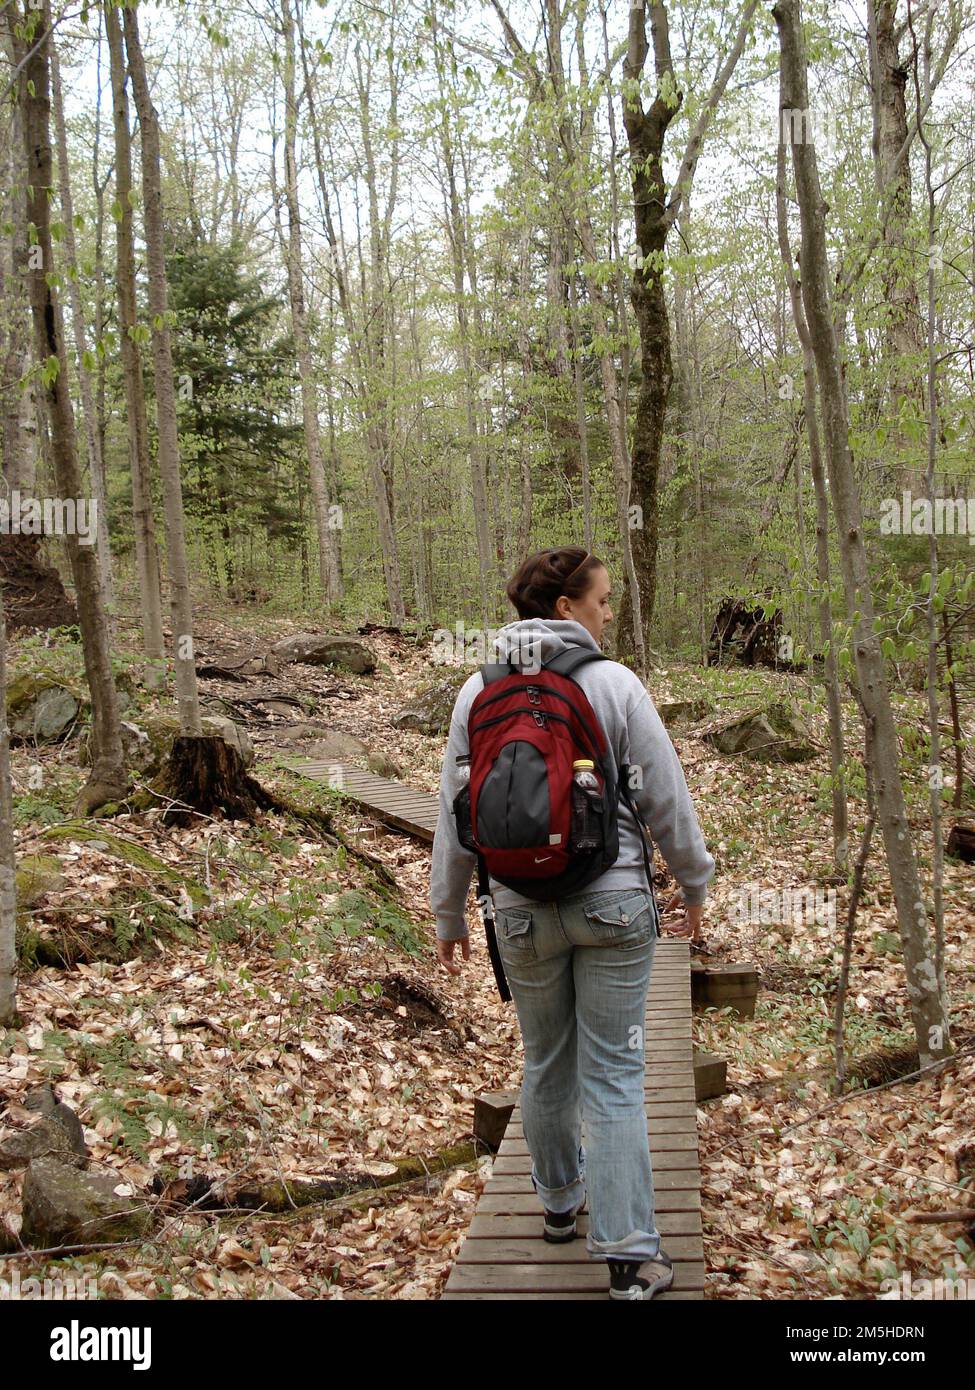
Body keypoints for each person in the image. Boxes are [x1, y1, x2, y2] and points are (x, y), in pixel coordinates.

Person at [429, 546, 715, 1300]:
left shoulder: (476, 690)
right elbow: (664, 799)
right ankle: (627, 1256)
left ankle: (558, 1204)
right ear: (565, 609)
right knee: (615, 1073)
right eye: (602, 599)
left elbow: (455, 816)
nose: (609, 611)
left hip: (518, 912)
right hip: (613, 903)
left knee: (544, 1059)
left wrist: (448, 910)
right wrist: (694, 881)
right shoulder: (614, 684)